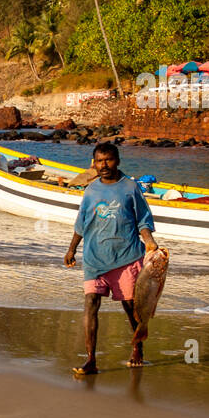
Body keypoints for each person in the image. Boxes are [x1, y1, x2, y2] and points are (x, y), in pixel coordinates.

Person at [63, 142, 157, 374]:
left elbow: (143, 219)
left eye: (108, 160)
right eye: (99, 161)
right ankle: (90, 359)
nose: (103, 165)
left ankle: (137, 348)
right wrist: (71, 249)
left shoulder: (130, 188)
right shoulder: (91, 190)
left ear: (118, 160)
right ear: (93, 163)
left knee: (130, 308)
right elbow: (81, 222)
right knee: (90, 304)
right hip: (94, 257)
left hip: (126, 256)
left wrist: (149, 241)